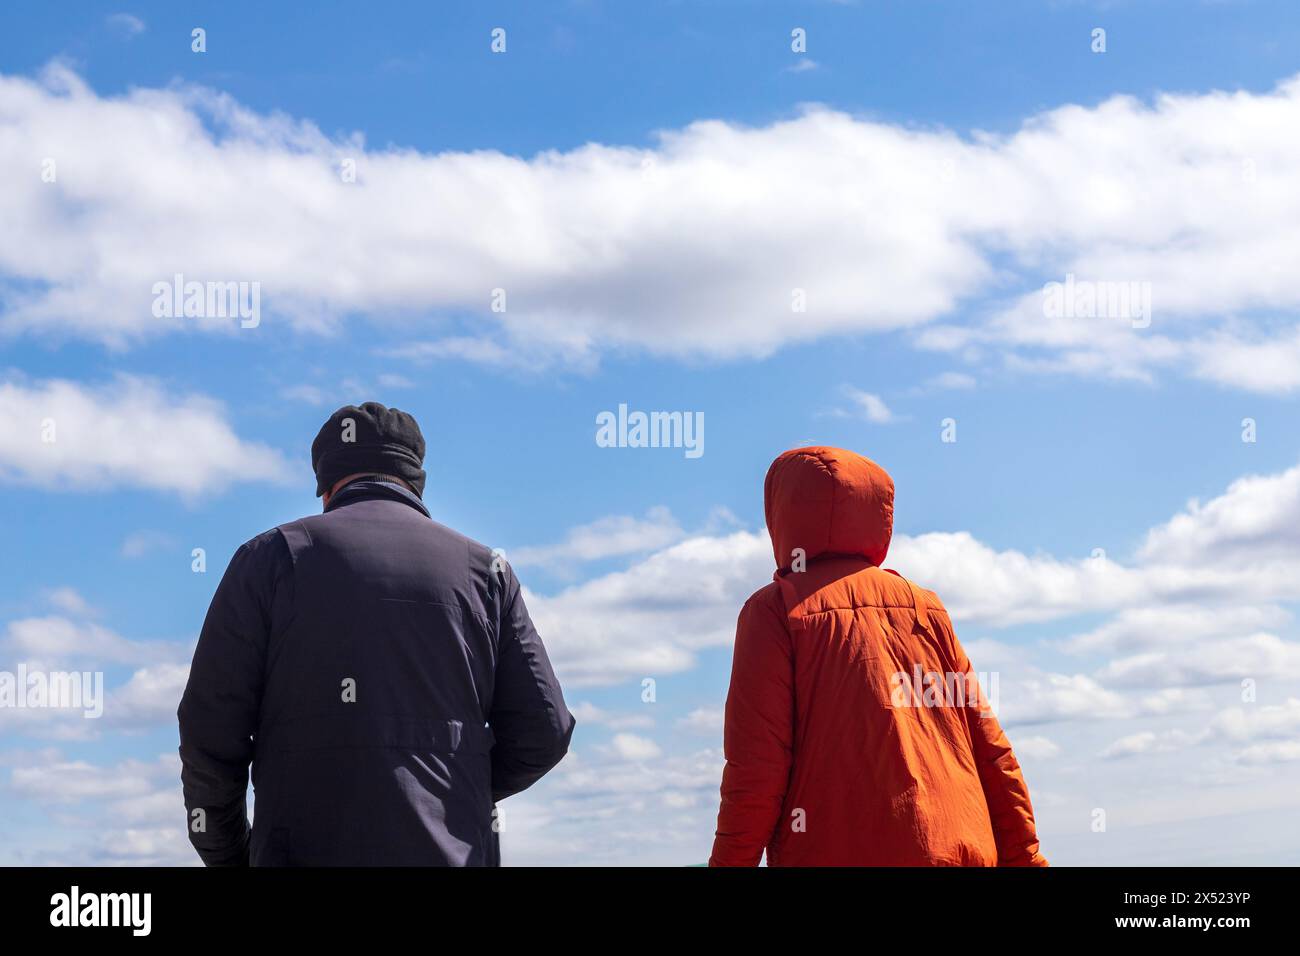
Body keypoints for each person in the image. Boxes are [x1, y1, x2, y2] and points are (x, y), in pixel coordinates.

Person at [178, 402, 575, 866]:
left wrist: (231, 857)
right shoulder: (487, 571)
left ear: (325, 488)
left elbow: (208, 730)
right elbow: (546, 731)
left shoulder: (270, 558)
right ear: (415, 480)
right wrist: (449, 794)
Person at [710, 446, 1047, 866]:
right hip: (962, 851)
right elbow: (992, 752)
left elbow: (756, 773)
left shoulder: (776, 611)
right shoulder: (925, 607)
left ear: (779, 512)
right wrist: (1027, 859)